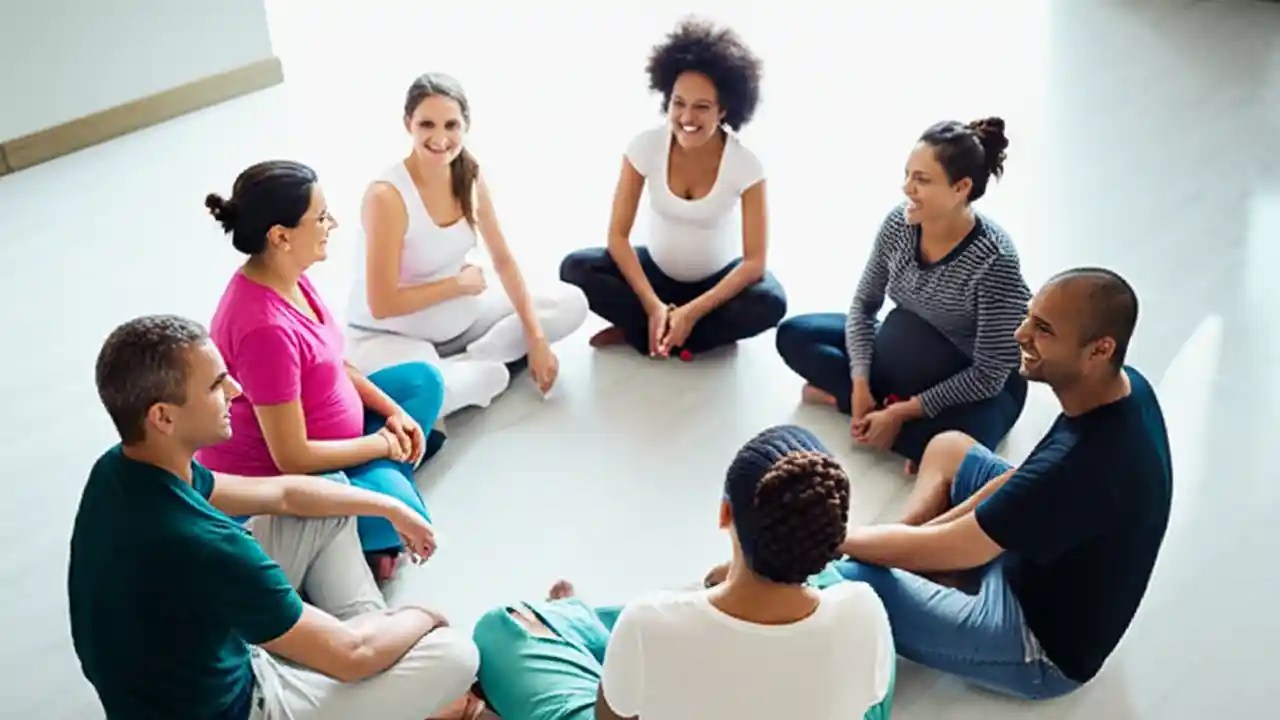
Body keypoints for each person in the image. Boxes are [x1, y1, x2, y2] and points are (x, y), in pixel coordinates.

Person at [69, 314, 482, 720]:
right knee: (455, 653)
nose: (235, 390)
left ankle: (370, 635)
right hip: (246, 705)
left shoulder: (121, 469)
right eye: (216, 385)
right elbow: (351, 658)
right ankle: (379, 654)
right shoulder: (210, 548)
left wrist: (390, 507)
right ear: (163, 416)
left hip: (187, 667)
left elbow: (282, 493)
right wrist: (426, 615)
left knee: (333, 493)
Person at [833, 269, 1172, 700]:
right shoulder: (1124, 388)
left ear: (1099, 349)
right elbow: (1019, 482)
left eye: (1043, 329)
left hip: (1037, 647)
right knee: (949, 448)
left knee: (850, 578)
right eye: (1030, 317)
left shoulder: (1080, 467)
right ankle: (916, 556)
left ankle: (907, 560)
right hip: (1029, 557)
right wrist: (917, 543)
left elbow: (974, 534)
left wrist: (836, 539)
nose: (1020, 333)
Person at [471, 425, 895, 720]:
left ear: (724, 513)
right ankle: (599, 632)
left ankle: (572, 627)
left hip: (661, 636)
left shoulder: (650, 621)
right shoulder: (863, 608)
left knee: (503, 627)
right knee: (839, 592)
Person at [196, 160, 445, 580]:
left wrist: (393, 414)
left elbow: (334, 361)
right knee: (402, 514)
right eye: (321, 217)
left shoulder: (290, 275)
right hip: (288, 480)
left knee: (424, 382)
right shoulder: (263, 329)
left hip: (335, 437)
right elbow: (291, 456)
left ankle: (377, 495)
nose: (333, 223)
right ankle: (377, 502)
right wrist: (383, 445)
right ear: (281, 237)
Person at [775, 118, 1030, 468]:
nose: (906, 188)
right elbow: (864, 307)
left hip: (973, 384)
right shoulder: (899, 224)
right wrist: (860, 384)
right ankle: (905, 434)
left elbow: (989, 375)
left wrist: (902, 413)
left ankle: (891, 423)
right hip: (902, 360)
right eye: (908, 174)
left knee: (969, 445)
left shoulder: (994, 262)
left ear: (961, 188)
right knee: (795, 335)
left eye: (922, 180)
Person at [346, 72, 588, 413]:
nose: (440, 138)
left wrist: (536, 338)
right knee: (464, 384)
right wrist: (456, 285)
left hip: (463, 322)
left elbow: (502, 260)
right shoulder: (386, 196)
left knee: (570, 302)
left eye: (451, 125)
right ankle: (475, 370)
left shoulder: (469, 176)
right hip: (392, 335)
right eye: (427, 124)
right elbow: (382, 303)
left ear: (465, 126)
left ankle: (473, 360)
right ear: (408, 124)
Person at [559, 19, 787, 360]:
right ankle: (672, 332)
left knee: (771, 301)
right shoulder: (644, 147)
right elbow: (617, 238)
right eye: (678, 103)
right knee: (576, 267)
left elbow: (754, 262)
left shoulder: (747, 166)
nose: (686, 117)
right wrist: (652, 304)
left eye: (702, 107)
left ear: (724, 109)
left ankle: (654, 333)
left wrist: (691, 311)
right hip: (654, 278)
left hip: (712, 287)